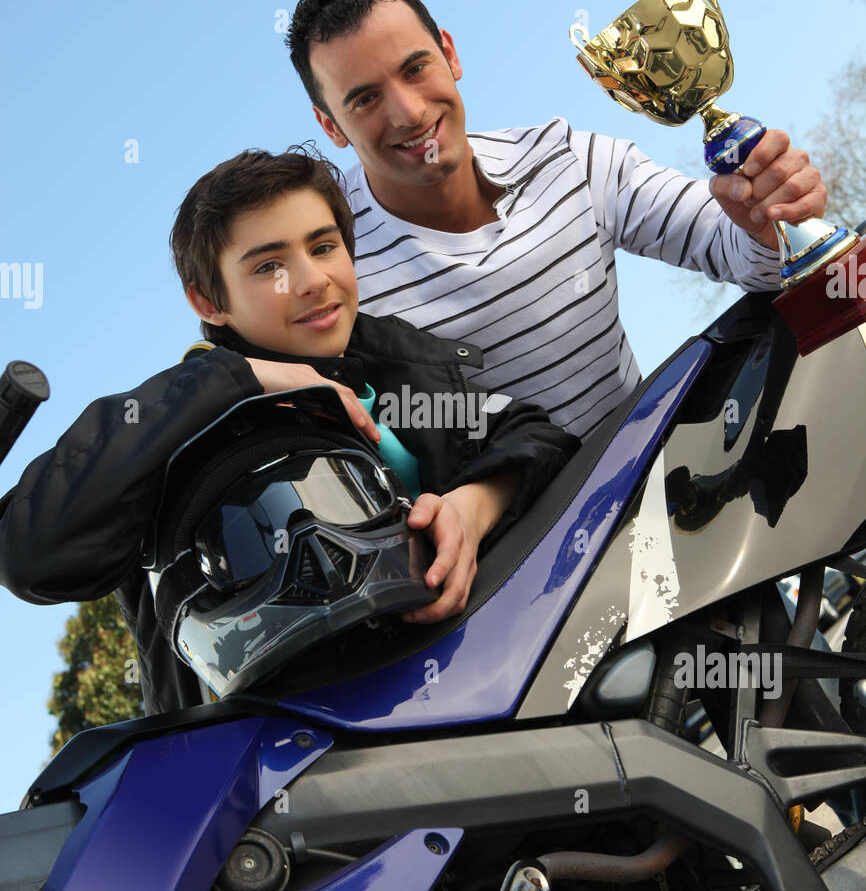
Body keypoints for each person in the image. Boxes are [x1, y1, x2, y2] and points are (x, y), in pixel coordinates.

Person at [0, 147, 577, 716]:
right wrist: (240, 376)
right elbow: (31, 554)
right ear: (208, 300)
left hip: (481, 710)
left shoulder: (407, 371)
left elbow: (537, 437)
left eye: (324, 247)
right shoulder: (169, 431)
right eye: (268, 265)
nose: (310, 280)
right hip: (269, 778)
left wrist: (469, 511)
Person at [286, 0, 828, 440]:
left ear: (449, 54)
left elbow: (736, 250)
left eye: (415, 68)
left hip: (648, 497)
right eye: (365, 99)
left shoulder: (563, 156)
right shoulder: (332, 267)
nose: (407, 112)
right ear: (330, 125)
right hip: (500, 552)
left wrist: (767, 223)